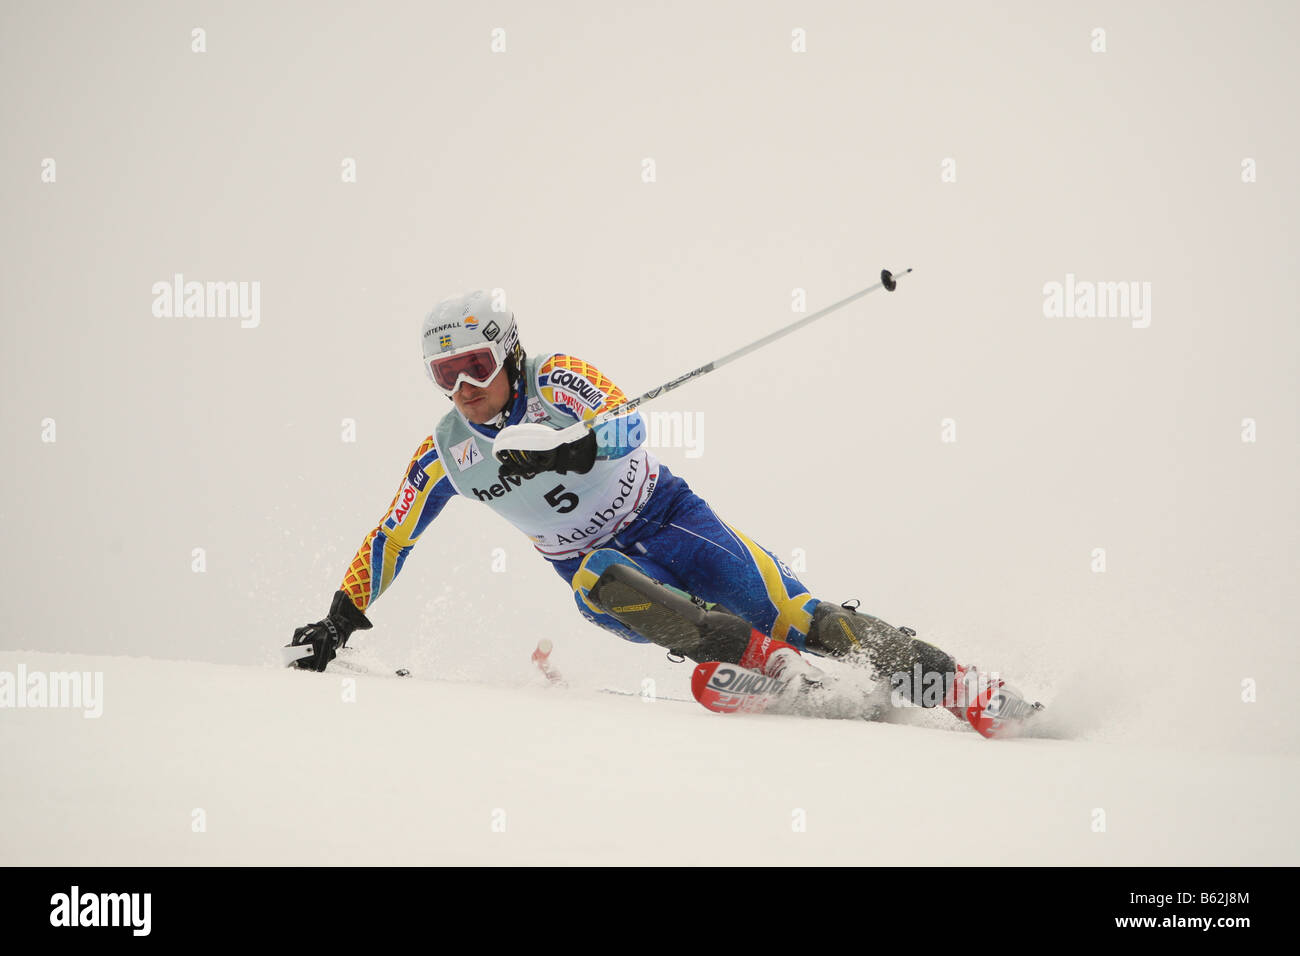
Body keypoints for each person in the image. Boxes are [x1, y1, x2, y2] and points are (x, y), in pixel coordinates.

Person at [286, 289, 1038, 737]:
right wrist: (338, 619)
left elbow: (624, 423)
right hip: (596, 561)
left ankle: (963, 689)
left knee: (802, 616)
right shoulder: (447, 450)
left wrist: (563, 452)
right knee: (598, 587)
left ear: (509, 353)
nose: (462, 390)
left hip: (670, 517)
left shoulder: (559, 380)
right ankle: (759, 667)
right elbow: (391, 536)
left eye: (475, 366)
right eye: (442, 376)